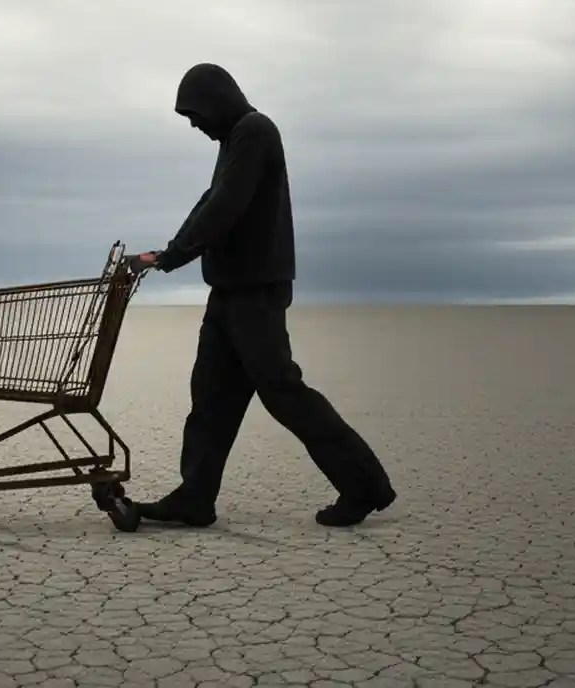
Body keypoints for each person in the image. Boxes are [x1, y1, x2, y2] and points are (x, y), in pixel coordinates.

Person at [134, 63, 398, 527]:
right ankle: (195, 497)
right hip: (229, 291)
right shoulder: (233, 140)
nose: (194, 124)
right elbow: (209, 200)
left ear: (217, 100)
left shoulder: (254, 131)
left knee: (283, 392)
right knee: (211, 398)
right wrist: (166, 251)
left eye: (194, 113)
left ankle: (365, 487)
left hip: (254, 292)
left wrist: (175, 256)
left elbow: (226, 205)